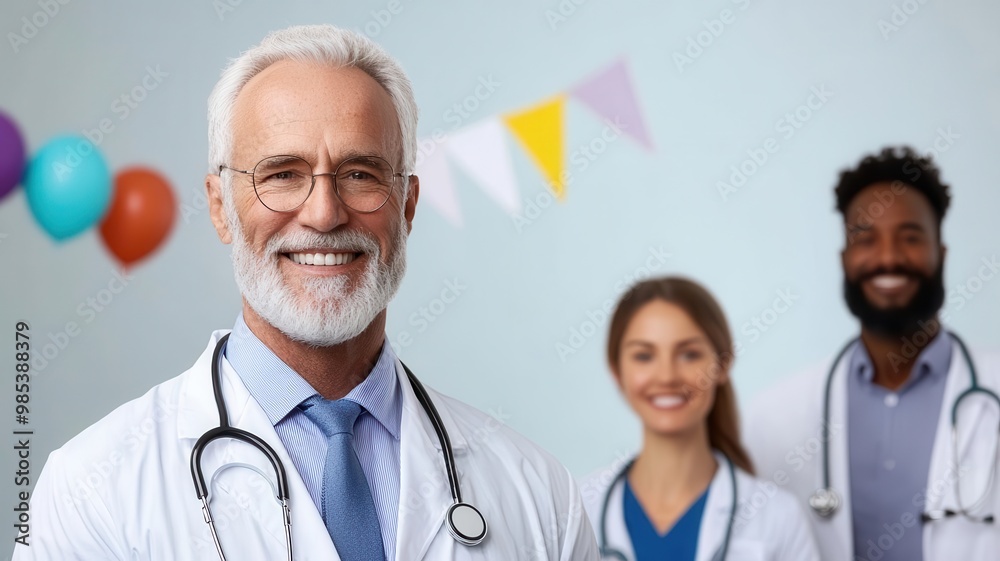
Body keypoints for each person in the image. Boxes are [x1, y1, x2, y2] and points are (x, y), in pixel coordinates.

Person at [14, 25, 599, 561]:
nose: (323, 213)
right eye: (282, 174)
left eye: (361, 174)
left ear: (409, 206)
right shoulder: (91, 489)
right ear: (220, 208)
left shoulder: (538, 495)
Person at [745, 147, 1000, 560]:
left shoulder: (992, 387)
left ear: (942, 254)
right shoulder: (776, 415)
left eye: (910, 238)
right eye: (866, 239)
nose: (888, 257)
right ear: (845, 259)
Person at [580, 277, 819, 560]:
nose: (667, 376)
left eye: (689, 354)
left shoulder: (776, 517)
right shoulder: (580, 507)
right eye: (644, 356)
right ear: (616, 370)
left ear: (723, 364)